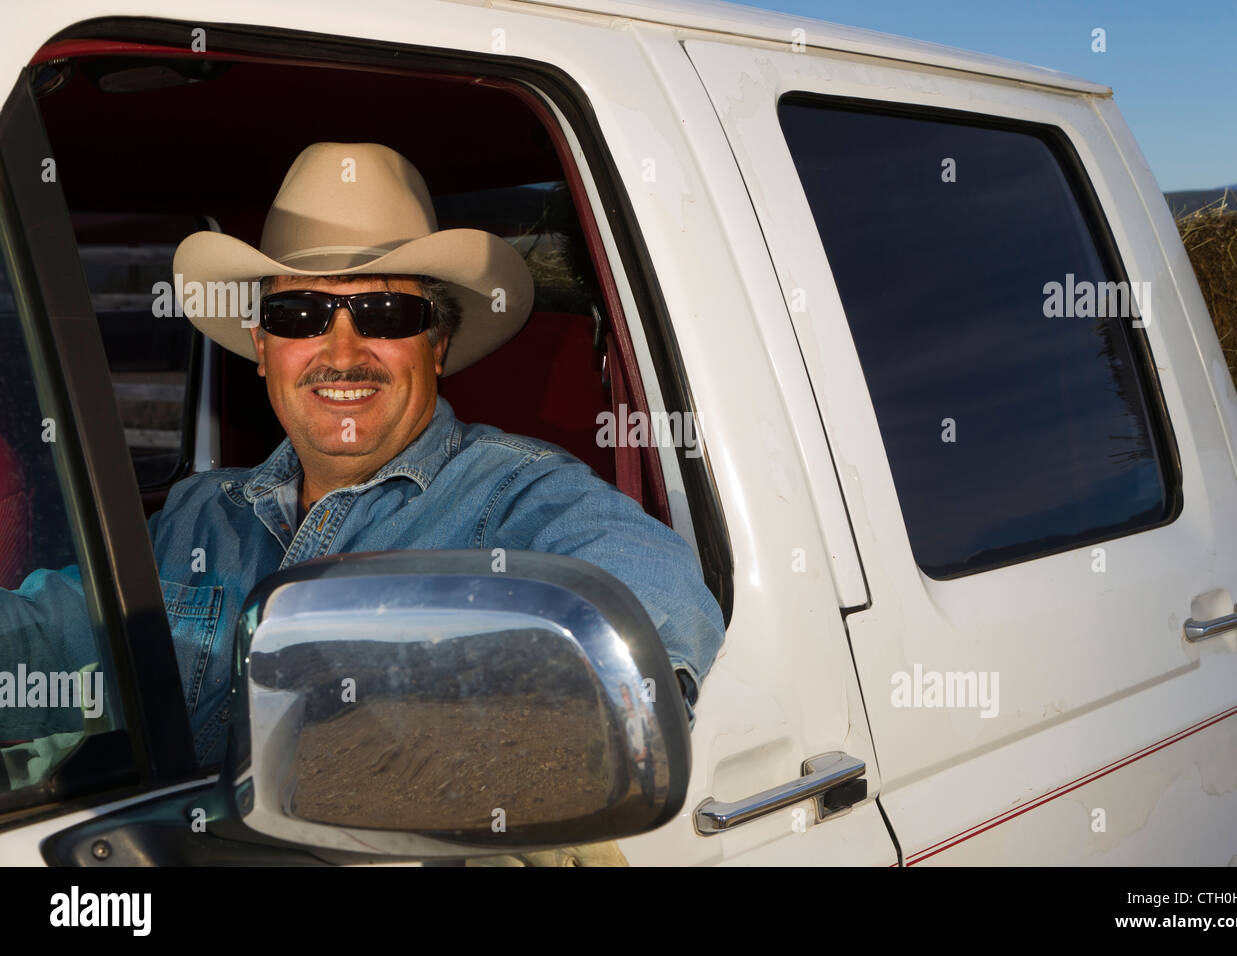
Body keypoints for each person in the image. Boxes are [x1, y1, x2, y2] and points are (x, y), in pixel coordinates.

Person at [1, 143, 725, 790]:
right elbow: (47, 636)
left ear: (435, 344)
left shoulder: (520, 495)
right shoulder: (197, 513)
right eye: (300, 316)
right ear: (261, 347)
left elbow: (650, 609)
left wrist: (476, 741)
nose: (342, 353)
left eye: (383, 313)